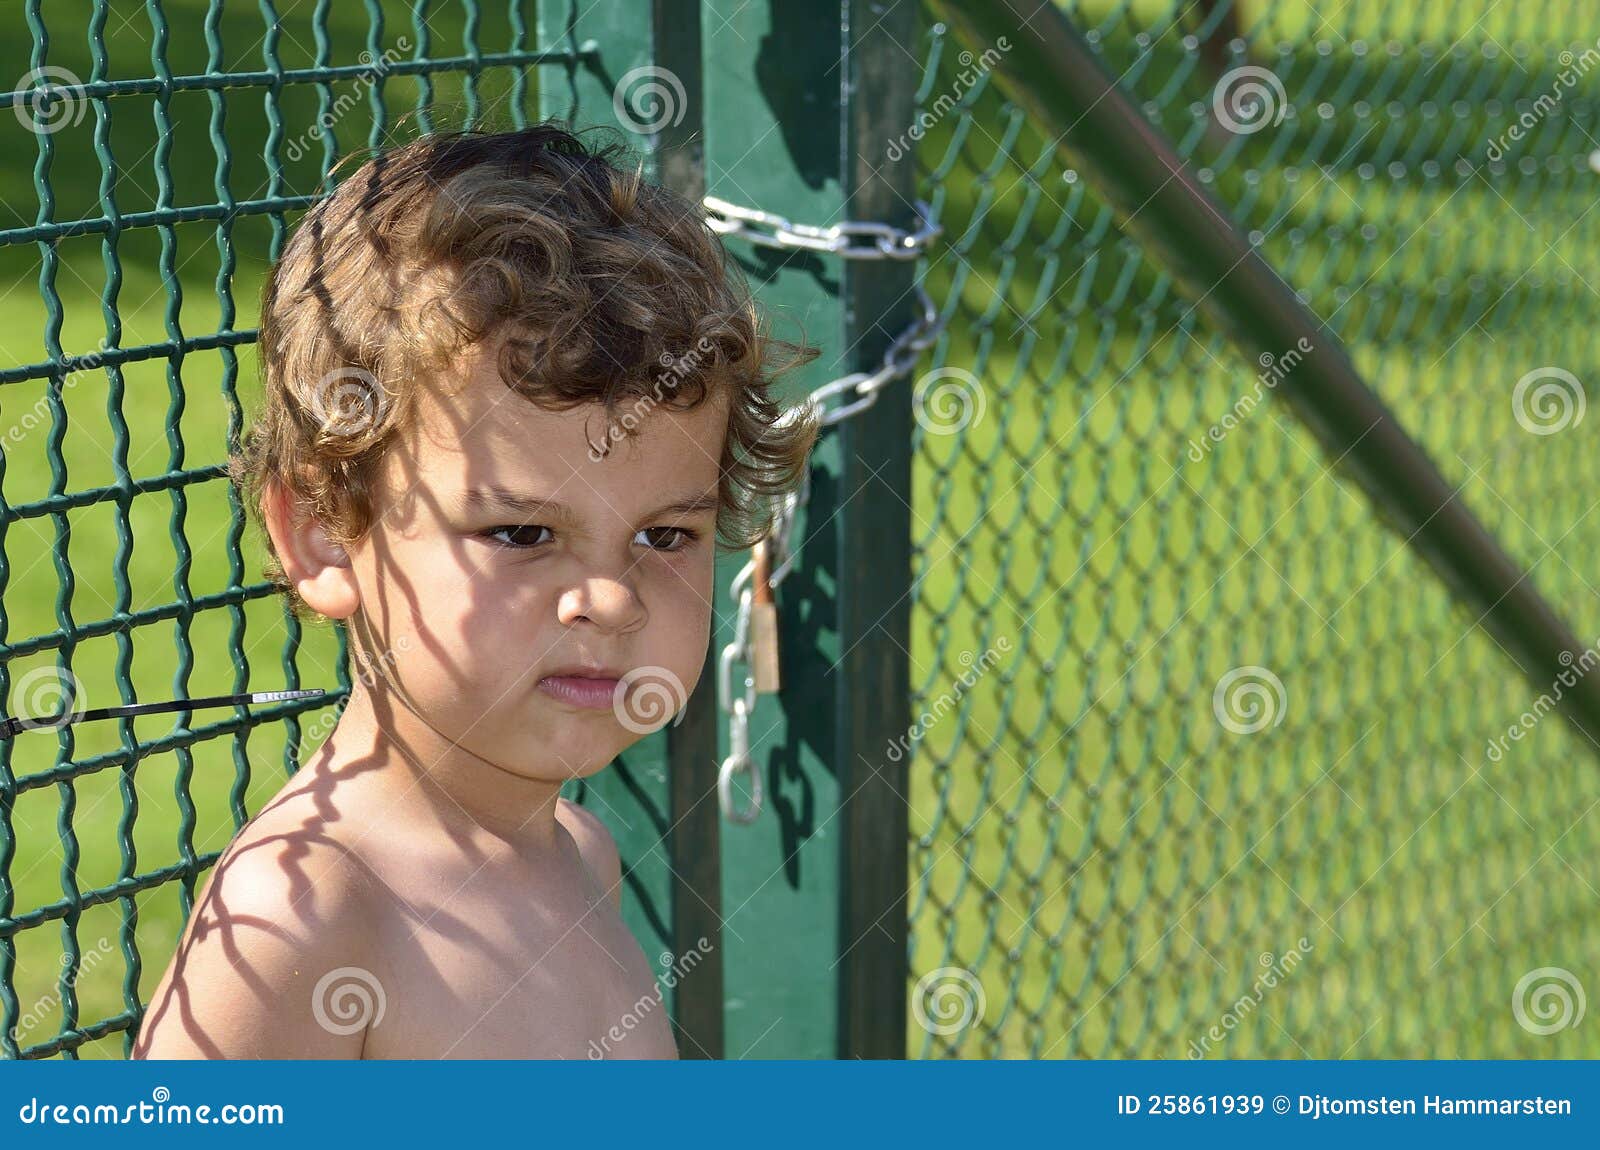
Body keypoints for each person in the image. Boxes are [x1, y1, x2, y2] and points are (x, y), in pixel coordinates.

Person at [131, 122, 818, 1059]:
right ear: (327, 534)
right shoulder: (299, 919)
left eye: (666, 535)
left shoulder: (582, 857)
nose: (611, 602)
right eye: (522, 533)